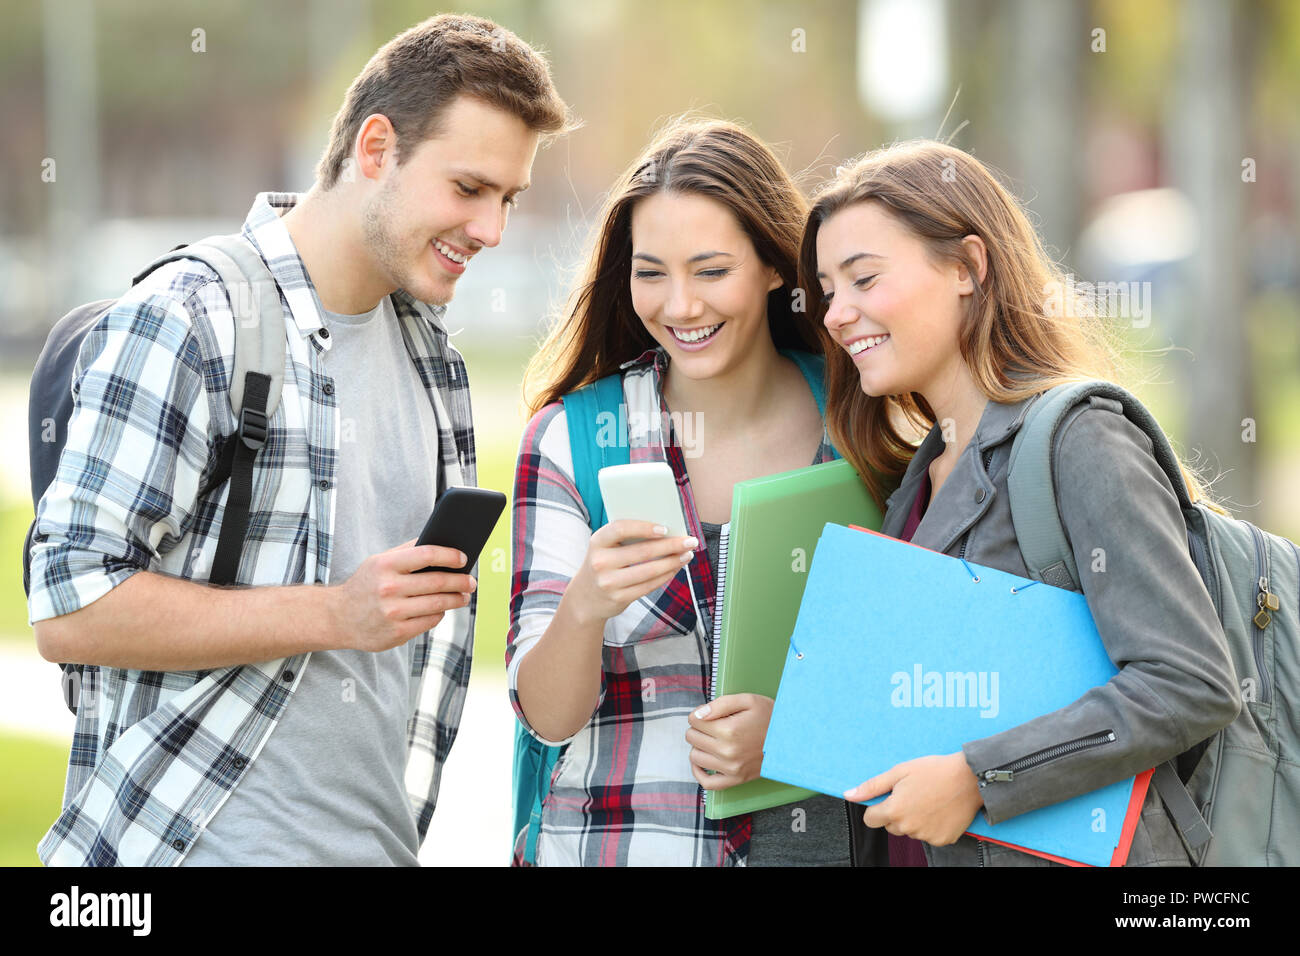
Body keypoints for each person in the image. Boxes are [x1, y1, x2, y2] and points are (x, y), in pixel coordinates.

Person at [28, 13, 575, 866]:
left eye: (509, 199)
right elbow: (68, 603)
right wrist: (336, 613)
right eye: (469, 189)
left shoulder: (437, 364)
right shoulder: (191, 317)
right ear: (375, 147)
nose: (493, 230)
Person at [802, 139, 1241, 866]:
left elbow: (1188, 682)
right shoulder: (916, 476)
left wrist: (981, 779)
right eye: (826, 291)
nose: (837, 314)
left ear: (970, 267)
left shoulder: (1080, 439)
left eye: (863, 280)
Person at [508, 116, 860, 866]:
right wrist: (583, 609)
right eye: (650, 272)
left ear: (773, 266)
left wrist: (797, 731)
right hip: (617, 845)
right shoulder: (574, 440)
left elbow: (918, 672)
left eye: (710, 271)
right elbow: (545, 717)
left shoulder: (864, 427)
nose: (680, 307)